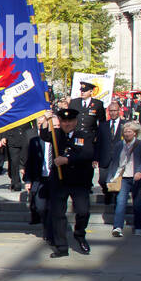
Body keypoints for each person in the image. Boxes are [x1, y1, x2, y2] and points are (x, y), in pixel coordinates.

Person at [44, 106, 96, 257]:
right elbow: (43, 136)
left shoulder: (84, 135)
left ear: (75, 121)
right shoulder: (56, 134)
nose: (67, 124)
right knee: (58, 214)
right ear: (60, 121)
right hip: (59, 182)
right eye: (64, 121)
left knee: (83, 211)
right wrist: (47, 120)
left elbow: (87, 154)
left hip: (79, 181)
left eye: (70, 121)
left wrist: (67, 159)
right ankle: (61, 247)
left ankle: (79, 234)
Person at [109, 121, 141, 236]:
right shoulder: (119, 145)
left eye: (129, 131)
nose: (127, 133)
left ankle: (138, 227)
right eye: (125, 131)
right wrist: (112, 176)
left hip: (137, 178)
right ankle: (117, 227)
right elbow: (115, 161)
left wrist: (140, 172)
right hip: (123, 178)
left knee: (137, 203)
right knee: (120, 201)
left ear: (135, 133)